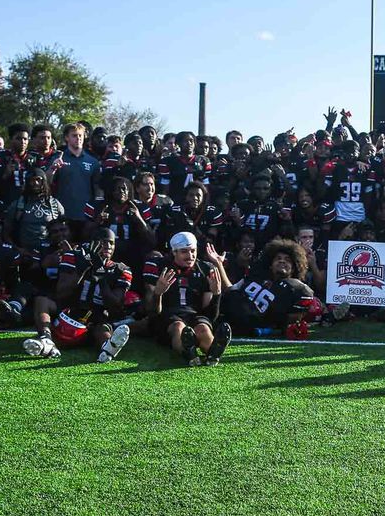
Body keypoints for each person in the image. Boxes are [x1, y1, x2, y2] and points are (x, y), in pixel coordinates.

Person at [21, 228, 132, 363]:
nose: (108, 246)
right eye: (104, 242)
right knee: (41, 301)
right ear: (93, 243)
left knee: (102, 327)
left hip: (96, 316)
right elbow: (62, 292)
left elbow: (115, 306)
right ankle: (46, 339)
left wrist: (101, 277)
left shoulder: (121, 269)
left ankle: (107, 347)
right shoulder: (74, 257)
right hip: (69, 308)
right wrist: (84, 267)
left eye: (111, 243)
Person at [143, 231, 231, 366]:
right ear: (174, 252)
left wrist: (216, 295)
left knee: (203, 328)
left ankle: (213, 352)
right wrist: (158, 294)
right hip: (168, 318)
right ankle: (188, 353)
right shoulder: (157, 265)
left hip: (194, 315)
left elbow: (210, 316)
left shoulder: (206, 268)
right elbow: (152, 312)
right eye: (184, 251)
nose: (190, 256)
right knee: (179, 327)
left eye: (193, 251)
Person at [221, 238, 315, 336]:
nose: (282, 261)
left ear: (294, 268)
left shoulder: (297, 288)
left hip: (252, 325)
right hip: (229, 314)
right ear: (270, 265)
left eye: (287, 260)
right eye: (278, 258)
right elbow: (230, 291)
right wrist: (219, 264)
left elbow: (288, 324)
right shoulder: (256, 275)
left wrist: (267, 330)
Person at [52, 122, 100, 238]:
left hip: (86, 216)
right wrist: (53, 168)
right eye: (74, 135)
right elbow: (47, 182)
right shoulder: (58, 158)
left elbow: (98, 189)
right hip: (63, 215)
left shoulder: (93, 161)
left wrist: (97, 211)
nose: (78, 138)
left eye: (80, 135)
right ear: (66, 138)